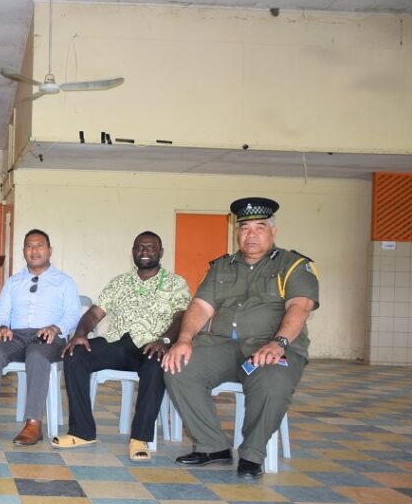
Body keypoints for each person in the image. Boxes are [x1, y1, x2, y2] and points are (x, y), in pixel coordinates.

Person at [163, 197, 319, 480]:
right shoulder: (222, 266)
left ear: (273, 231)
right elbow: (200, 306)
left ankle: (252, 453)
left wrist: (278, 343)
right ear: (237, 232)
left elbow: (300, 307)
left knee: (272, 381)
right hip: (222, 344)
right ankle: (212, 446)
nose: (251, 234)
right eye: (245, 228)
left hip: (270, 345)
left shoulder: (293, 265)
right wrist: (184, 339)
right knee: (178, 365)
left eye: (260, 227)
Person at [55, 231, 191, 461]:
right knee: (75, 354)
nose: (145, 252)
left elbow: (181, 317)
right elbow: (95, 313)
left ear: (161, 252)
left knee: (157, 363)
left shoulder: (175, 283)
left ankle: (140, 437)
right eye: (140, 247)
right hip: (117, 343)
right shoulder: (119, 282)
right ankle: (82, 432)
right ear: (133, 252)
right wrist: (79, 334)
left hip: (153, 345)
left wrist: (165, 341)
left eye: (150, 247)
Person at [0, 229, 81, 445]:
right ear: (23, 251)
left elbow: (73, 314)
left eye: (40, 245)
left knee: (37, 356)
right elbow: (0, 310)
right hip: (17, 335)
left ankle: (33, 424)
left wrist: (56, 328)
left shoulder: (64, 282)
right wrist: (2, 325)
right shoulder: (14, 282)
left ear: (50, 250)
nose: (35, 250)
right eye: (30, 246)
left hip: (49, 338)